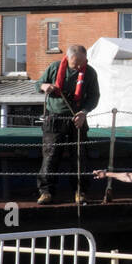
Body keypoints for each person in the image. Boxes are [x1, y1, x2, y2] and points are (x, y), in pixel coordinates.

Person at [37, 44, 100, 204]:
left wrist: (84, 113)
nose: (79, 66)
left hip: (77, 119)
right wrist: (45, 86)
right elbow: (38, 84)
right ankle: (46, 191)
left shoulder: (90, 73)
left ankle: (80, 191)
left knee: (79, 156)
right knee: (50, 155)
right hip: (54, 119)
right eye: (76, 63)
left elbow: (94, 97)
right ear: (68, 58)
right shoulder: (55, 67)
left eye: (82, 62)